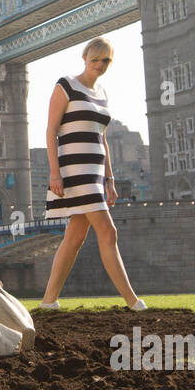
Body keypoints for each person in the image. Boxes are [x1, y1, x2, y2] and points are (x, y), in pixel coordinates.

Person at [39, 37, 146, 311]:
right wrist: (55, 173)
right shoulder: (65, 85)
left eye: (105, 61)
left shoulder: (102, 93)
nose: (99, 65)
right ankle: (133, 301)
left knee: (74, 238)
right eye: (95, 59)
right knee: (108, 232)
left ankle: (48, 301)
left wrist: (109, 180)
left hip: (95, 172)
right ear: (84, 58)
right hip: (74, 170)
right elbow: (51, 131)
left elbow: (103, 139)